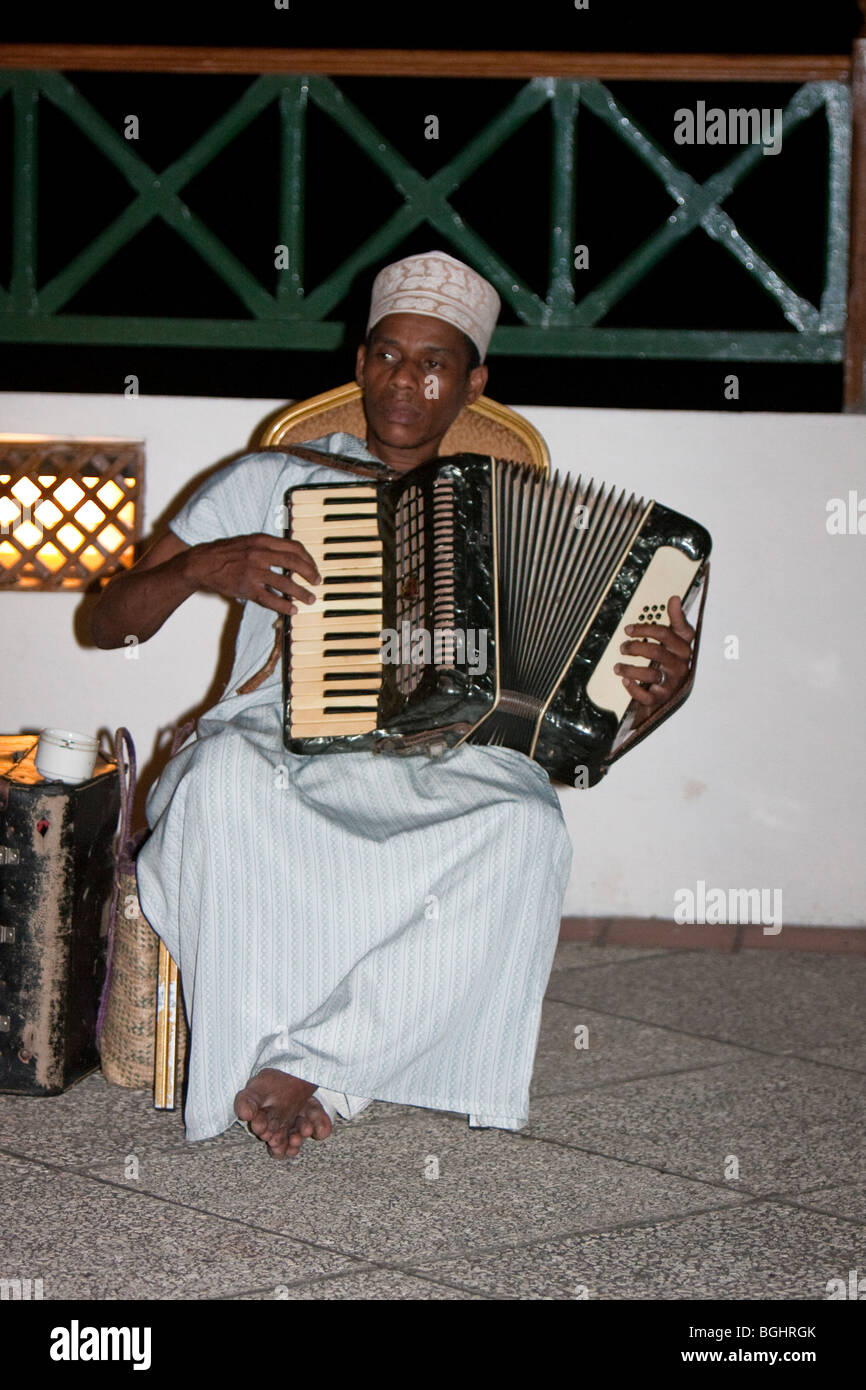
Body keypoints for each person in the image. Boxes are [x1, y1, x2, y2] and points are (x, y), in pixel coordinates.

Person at [92, 250, 695, 1160]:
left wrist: (662, 694)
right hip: (279, 743)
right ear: (361, 360)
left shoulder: (512, 512)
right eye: (385, 355)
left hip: (447, 757)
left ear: (473, 383)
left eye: (434, 363)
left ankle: (320, 1064)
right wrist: (194, 568)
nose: (403, 381)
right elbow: (107, 622)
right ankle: (307, 1065)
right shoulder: (270, 479)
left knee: (528, 828)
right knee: (218, 784)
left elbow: (581, 730)